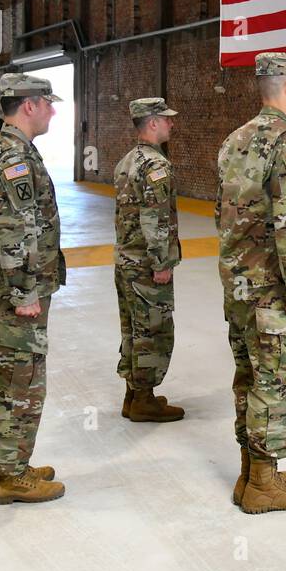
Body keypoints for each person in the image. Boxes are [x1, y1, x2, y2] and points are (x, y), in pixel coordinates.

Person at [216, 52, 286, 514]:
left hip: (238, 282)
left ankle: (253, 471)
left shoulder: (234, 139)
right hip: (272, 286)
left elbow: (229, 216)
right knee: (279, 380)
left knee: (250, 377)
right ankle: (263, 484)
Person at [0, 73, 66, 505]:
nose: (53, 110)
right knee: (20, 381)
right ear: (29, 106)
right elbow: (14, 231)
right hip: (12, 293)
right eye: (48, 103)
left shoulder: (8, 149)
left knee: (6, 375)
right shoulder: (13, 157)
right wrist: (25, 293)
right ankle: (9, 475)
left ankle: (5, 460)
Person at [114, 97, 185, 423]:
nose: (172, 123)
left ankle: (133, 395)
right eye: (167, 119)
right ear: (152, 123)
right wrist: (161, 263)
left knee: (132, 329)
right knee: (153, 331)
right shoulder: (156, 165)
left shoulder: (127, 161)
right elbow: (154, 219)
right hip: (146, 265)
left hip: (126, 261)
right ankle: (143, 398)